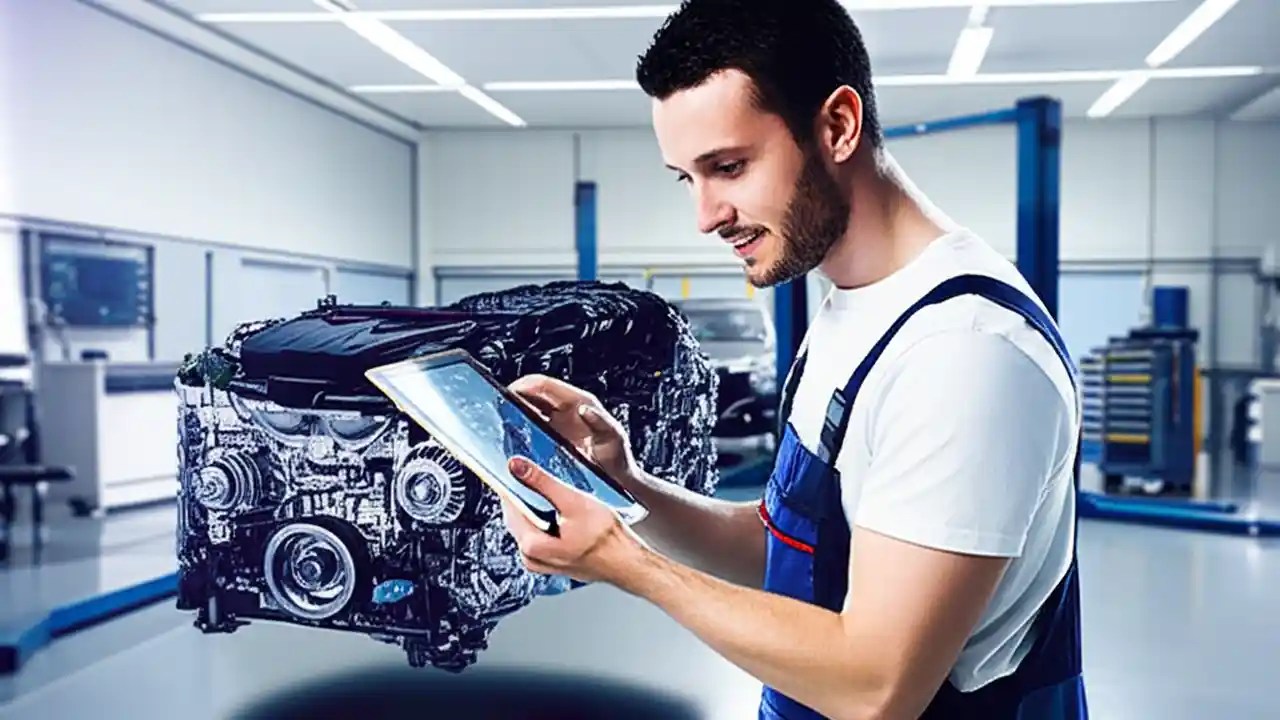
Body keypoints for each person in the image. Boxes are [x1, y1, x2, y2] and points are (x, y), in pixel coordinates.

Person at [496, 1, 1087, 718]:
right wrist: (626, 488)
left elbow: (877, 687)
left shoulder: (965, 354)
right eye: (689, 178)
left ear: (837, 125)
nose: (706, 215)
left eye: (730, 167)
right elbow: (788, 551)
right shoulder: (849, 306)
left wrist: (626, 564)